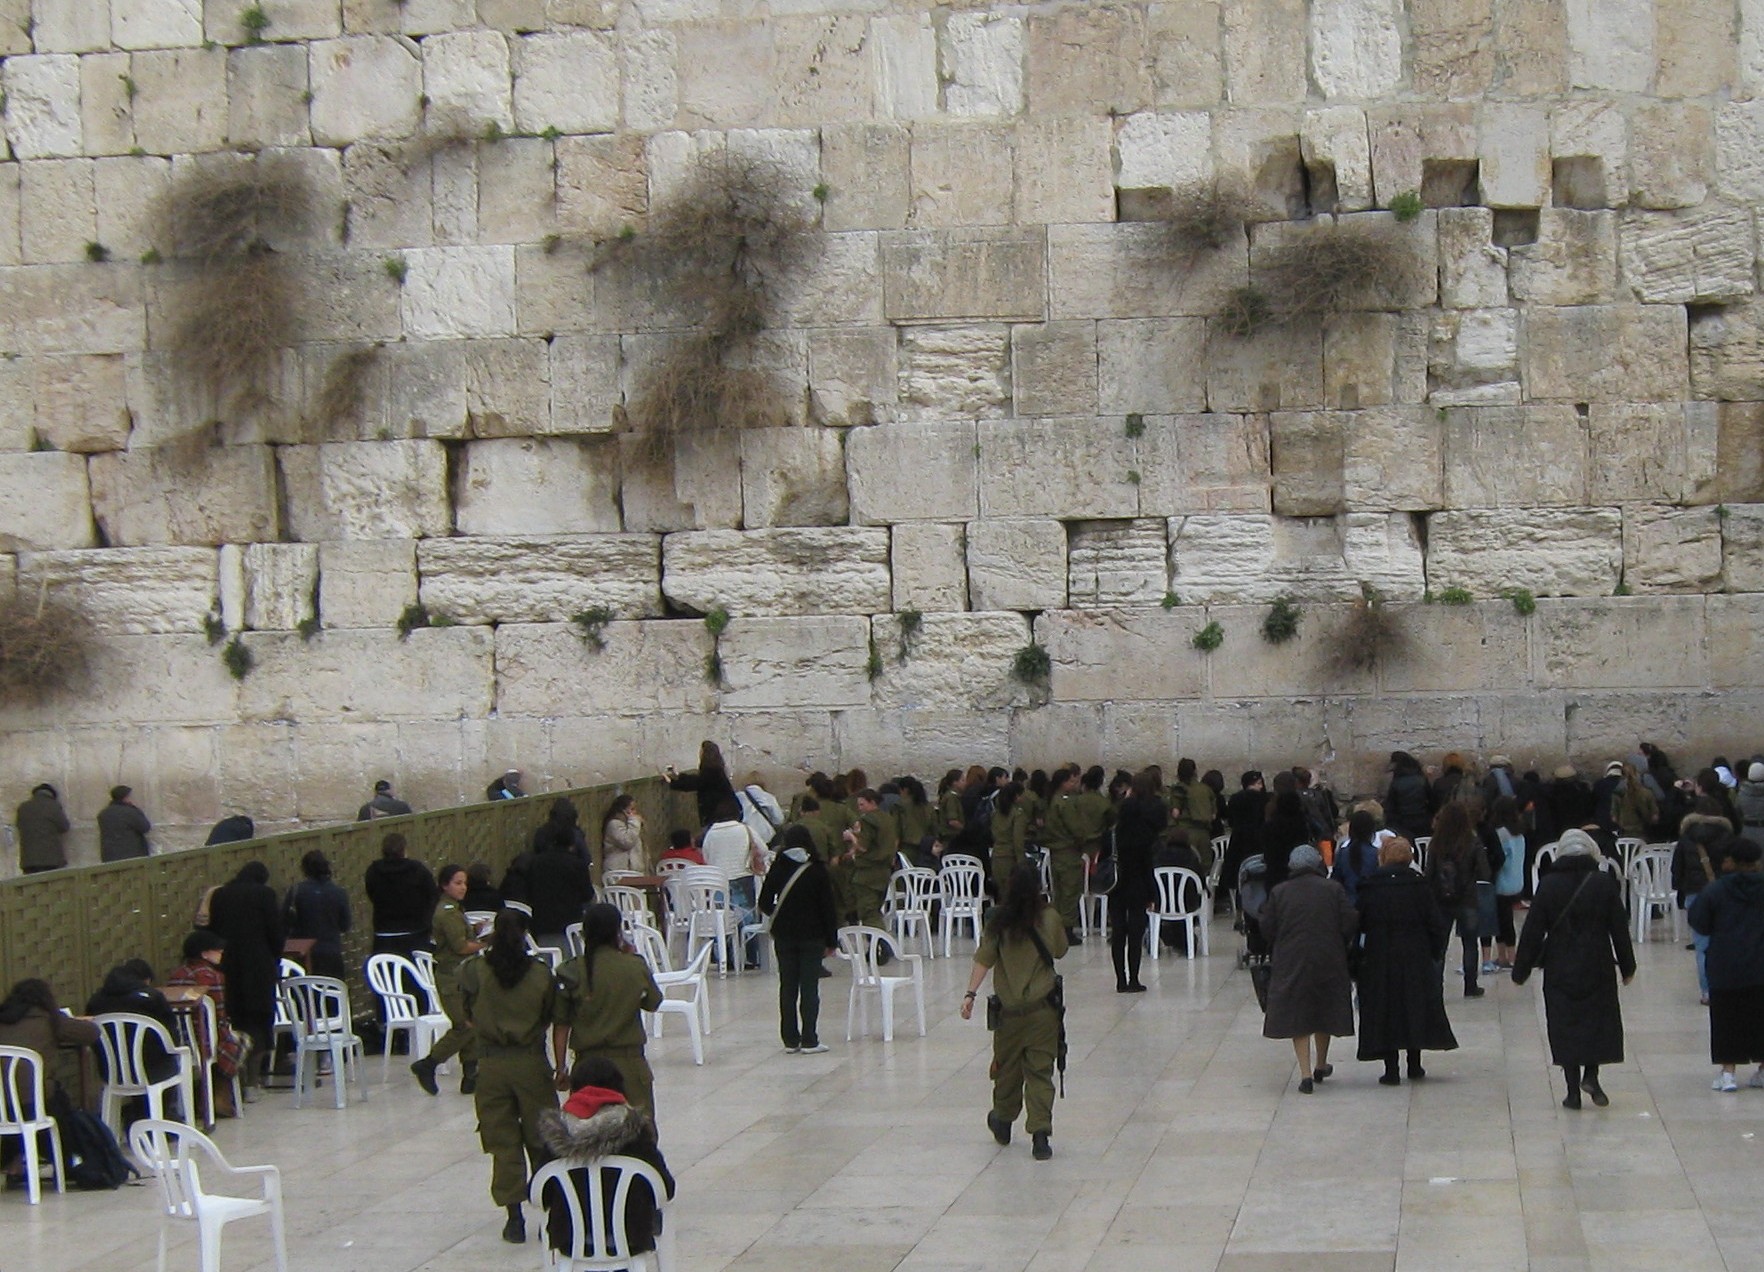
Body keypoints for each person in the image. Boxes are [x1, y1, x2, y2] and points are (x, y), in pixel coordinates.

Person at [1511, 829, 1636, 1110]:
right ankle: (1592, 1075)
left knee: (1565, 1023)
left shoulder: (1549, 885)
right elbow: (1619, 928)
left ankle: (1572, 1092)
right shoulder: (1604, 884)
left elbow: (1532, 931)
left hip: (1560, 964)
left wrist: (1520, 971)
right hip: (1598, 962)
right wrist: (1628, 966)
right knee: (1597, 1021)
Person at [460, 911, 559, 1244]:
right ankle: (552, 1211)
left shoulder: (474, 971)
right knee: (543, 1139)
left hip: (490, 1065)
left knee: (502, 1142)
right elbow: (550, 1014)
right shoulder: (540, 974)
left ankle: (513, 1218)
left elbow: (465, 1012)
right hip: (530, 1062)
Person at [960, 863, 1067, 1161]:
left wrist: (970, 994)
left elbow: (984, 959)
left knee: (1006, 1070)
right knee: (1040, 1072)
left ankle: (1004, 1121)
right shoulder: (1049, 917)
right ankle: (1040, 1135)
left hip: (1008, 1014)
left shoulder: (998, 921)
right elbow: (1060, 951)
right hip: (1043, 1011)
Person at [537, 1056, 675, 1260]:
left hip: (570, 1238)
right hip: (629, 1237)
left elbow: (540, 1193)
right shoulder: (636, 1131)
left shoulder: (557, 1132)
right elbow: (666, 1187)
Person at [1354, 838, 1457, 1085]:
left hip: (1381, 956)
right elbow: (1435, 923)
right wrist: (1435, 951)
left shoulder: (1371, 887)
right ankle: (1415, 1064)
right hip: (1415, 955)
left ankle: (1391, 1069)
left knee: (1386, 1008)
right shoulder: (1420, 887)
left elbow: (1360, 923)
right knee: (1414, 1006)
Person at [1260, 845, 1357, 1094]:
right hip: (1328, 957)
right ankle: (1321, 1063)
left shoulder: (1280, 892)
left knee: (1298, 1014)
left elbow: (1267, 927)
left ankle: (1305, 1074)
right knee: (1323, 1008)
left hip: (1291, 958)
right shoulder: (1333, 889)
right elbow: (1349, 922)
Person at [552, 903, 663, 1120]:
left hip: (587, 1067)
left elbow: (561, 1025)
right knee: (640, 1133)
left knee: (587, 1135)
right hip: (629, 1063)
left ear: (584, 933)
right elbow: (653, 1002)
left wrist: (561, 1067)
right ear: (617, 931)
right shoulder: (633, 966)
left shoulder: (571, 970)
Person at [0, 979, 97, 1188]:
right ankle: (64, 1163)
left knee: (22, 1104)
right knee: (58, 1101)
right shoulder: (49, 1020)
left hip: (2, 1106)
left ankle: (13, 1161)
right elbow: (90, 1033)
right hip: (34, 1103)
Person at [1688, 837, 1764, 1091]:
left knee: (1726, 1019)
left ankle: (1728, 1073)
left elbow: (1699, 921)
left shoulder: (1716, 890)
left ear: (1731, 861)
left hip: (1725, 964)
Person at [757, 824, 840, 1054]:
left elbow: (764, 902)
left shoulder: (779, 866)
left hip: (784, 935)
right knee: (809, 987)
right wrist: (831, 941)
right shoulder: (817, 869)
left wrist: (779, 913)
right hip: (812, 936)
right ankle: (810, 1039)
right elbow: (828, 909)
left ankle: (790, 1040)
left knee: (788, 987)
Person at [412, 864, 486, 1096]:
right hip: (451, 977)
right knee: (464, 1026)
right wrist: (488, 942)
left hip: (462, 975)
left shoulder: (455, 910)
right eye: (457, 883)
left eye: (464, 883)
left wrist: (474, 929)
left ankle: (471, 1074)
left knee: (473, 1021)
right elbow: (460, 946)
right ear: (445, 885)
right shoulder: (447, 912)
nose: (463, 887)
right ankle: (429, 1063)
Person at [205, 861, 283, 1079]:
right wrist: (274, 956)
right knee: (258, 1017)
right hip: (258, 965)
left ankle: (235, 1075)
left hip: (229, 965)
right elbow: (275, 933)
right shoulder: (265, 895)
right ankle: (255, 1077)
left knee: (235, 1016)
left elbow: (214, 929)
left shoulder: (221, 895)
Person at [167, 931, 250, 1115]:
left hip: (179, 1039)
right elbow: (218, 1016)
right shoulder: (213, 976)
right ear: (205, 953)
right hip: (204, 1039)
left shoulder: (177, 973)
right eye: (218, 950)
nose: (221, 952)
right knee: (239, 1041)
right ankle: (219, 1095)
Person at [86, 960, 183, 1105]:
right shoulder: (153, 997)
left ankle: (134, 1113)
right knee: (172, 1056)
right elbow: (172, 1037)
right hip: (153, 1071)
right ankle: (166, 1115)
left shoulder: (95, 1000)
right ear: (145, 980)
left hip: (112, 1072)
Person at [1674, 795, 1738, 1003]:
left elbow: (1677, 870)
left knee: (1702, 946)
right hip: (1722, 893)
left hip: (1695, 892)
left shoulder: (1686, 838)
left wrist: (1680, 891)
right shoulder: (1728, 837)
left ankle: (1707, 991)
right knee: (1725, 942)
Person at [1424, 802, 1491, 998]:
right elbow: (1485, 871)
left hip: (1440, 899)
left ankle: (1436, 988)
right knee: (1470, 943)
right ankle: (1471, 985)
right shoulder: (1472, 842)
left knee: (1440, 945)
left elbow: (1429, 874)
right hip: (1467, 898)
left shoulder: (1436, 843)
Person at [1110, 770, 1167, 992]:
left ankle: (1120, 980)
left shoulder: (1115, 832)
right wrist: (1153, 894)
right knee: (1135, 932)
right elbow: (1147, 867)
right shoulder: (1144, 835)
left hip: (1117, 885)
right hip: (1137, 886)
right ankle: (1133, 978)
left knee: (1118, 933)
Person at [365, 832, 437, 960]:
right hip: (415, 933)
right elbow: (432, 895)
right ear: (404, 849)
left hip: (384, 934)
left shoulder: (374, 871)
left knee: (388, 977)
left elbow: (371, 894)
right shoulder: (417, 870)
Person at [284, 849, 352, 981]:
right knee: (334, 994)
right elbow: (345, 925)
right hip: (331, 952)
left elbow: (285, 921)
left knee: (307, 997)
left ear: (305, 869)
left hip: (304, 953)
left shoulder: (296, 891)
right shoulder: (338, 892)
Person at [841, 789, 897, 939]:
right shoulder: (888, 819)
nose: (860, 808)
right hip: (884, 872)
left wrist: (851, 836)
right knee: (876, 909)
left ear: (872, 802)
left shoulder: (867, 820)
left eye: (862, 804)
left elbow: (863, 847)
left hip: (867, 873)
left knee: (868, 912)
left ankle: (879, 945)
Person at [664, 741, 737, 830]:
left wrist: (672, 783)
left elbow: (696, 783)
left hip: (718, 815)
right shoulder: (716, 769)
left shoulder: (710, 770)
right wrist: (679, 776)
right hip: (725, 812)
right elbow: (699, 780)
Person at [1331, 808, 1382, 905]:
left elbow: (1336, 881)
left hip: (1348, 904)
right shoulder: (1377, 854)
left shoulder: (1342, 853)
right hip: (1372, 905)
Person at [15, 783, 69, 873]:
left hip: (28, 861)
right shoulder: (53, 805)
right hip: (51, 860)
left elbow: (19, 826)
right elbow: (64, 826)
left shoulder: (23, 807)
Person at [1383, 752, 1433, 841]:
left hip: (1403, 822)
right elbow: (1431, 800)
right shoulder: (1421, 779)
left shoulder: (1396, 783)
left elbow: (1390, 806)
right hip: (1422, 820)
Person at [97, 785, 151, 861]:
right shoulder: (130, 812)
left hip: (110, 856)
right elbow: (145, 827)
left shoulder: (103, 814)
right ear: (125, 798)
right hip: (132, 855)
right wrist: (136, 810)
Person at [600, 795, 645, 882]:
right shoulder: (614, 824)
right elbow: (627, 841)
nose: (635, 812)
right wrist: (634, 821)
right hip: (618, 871)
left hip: (632, 870)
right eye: (631, 809)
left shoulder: (631, 825)